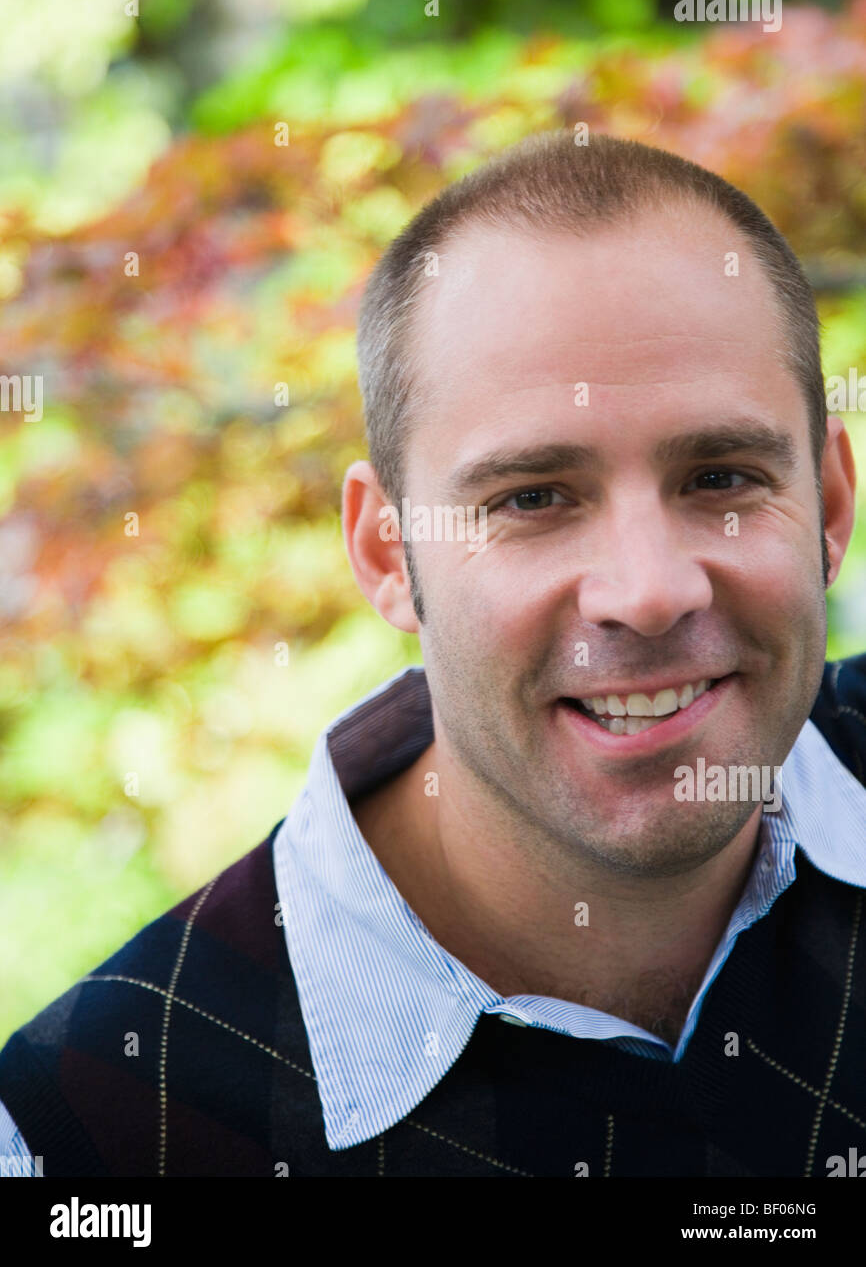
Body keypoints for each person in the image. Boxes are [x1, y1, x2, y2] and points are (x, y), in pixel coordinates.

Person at [1, 130, 864, 1178]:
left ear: (826, 503)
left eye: (720, 478)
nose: (645, 590)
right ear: (385, 551)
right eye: (532, 498)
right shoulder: (95, 1130)